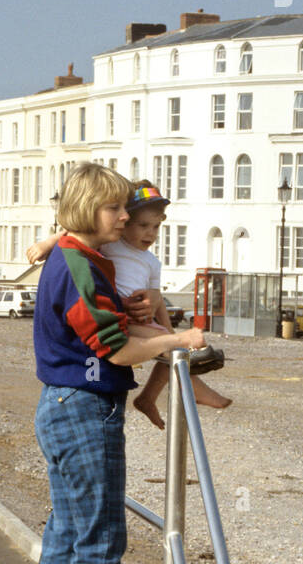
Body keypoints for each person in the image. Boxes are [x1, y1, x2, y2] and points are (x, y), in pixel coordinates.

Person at [30, 162, 208, 564]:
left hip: (62, 403)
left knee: (66, 532)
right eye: (115, 208)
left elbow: (108, 320)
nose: (125, 216)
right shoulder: (80, 264)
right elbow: (115, 347)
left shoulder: (79, 256)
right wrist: (179, 340)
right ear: (88, 209)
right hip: (85, 406)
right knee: (102, 537)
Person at [28, 183, 230, 427]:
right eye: (143, 225)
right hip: (117, 317)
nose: (151, 233)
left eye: (156, 227)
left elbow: (155, 299)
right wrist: (46, 244)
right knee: (173, 347)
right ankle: (190, 384)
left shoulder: (152, 262)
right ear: (125, 223)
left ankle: (150, 396)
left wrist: (172, 332)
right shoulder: (111, 244)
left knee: (171, 346)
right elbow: (74, 232)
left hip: (136, 319)